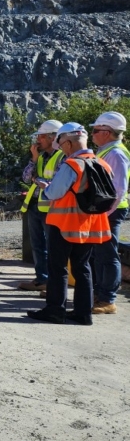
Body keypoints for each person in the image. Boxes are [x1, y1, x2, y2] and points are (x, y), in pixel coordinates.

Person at [27, 123, 112, 326]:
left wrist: (46, 186)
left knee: (57, 267)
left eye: (61, 144)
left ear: (68, 143)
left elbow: (53, 193)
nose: (61, 149)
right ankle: (83, 313)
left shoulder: (72, 165)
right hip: (89, 225)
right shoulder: (102, 164)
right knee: (83, 267)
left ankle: (55, 310)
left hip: (64, 224)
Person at [87, 112, 129, 315]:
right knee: (99, 254)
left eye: (95, 130)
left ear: (107, 132)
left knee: (108, 254)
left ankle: (108, 299)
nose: (92, 134)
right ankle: (100, 294)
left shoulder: (116, 154)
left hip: (110, 211)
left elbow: (119, 190)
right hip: (104, 210)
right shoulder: (106, 151)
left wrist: (104, 213)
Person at [17, 119, 64, 292]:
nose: (38, 140)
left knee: (53, 247)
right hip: (35, 206)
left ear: (53, 137)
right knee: (37, 246)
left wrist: (38, 179)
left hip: (52, 208)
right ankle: (41, 279)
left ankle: (53, 283)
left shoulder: (62, 157)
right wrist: (34, 159)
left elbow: (58, 182)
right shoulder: (41, 156)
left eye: (41, 136)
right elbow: (26, 178)